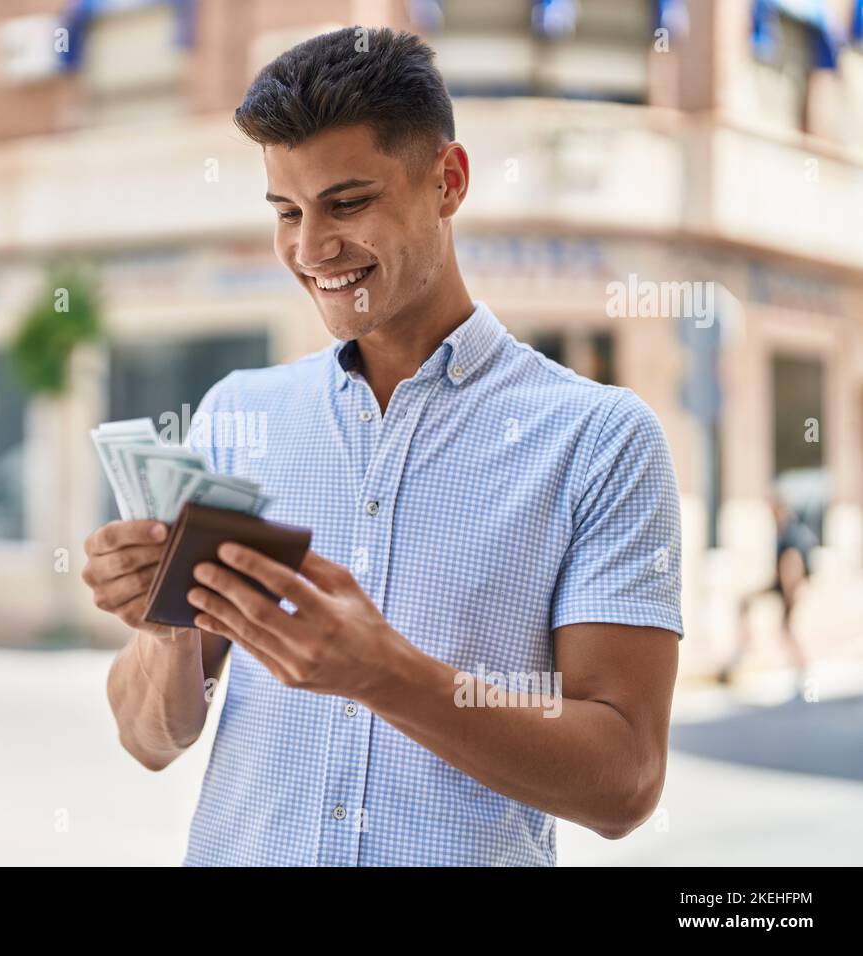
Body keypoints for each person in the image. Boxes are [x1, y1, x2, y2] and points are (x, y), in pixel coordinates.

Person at [82, 29, 682, 866]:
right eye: (287, 213)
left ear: (449, 181)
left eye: (348, 202)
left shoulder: (599, 441)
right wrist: (171, 624)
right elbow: (152, 740)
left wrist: (384, 674)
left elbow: (626, 781)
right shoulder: (235, 418)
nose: (311, 248)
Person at [717, 497, 815, 686]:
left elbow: (792, 563)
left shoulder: (790, 532)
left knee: (785, 629)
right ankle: (745, 645)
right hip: (780, 584)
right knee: (747, 603)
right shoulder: (785, 531)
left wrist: (789, 596)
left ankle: (803, 667)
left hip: (787, 587)